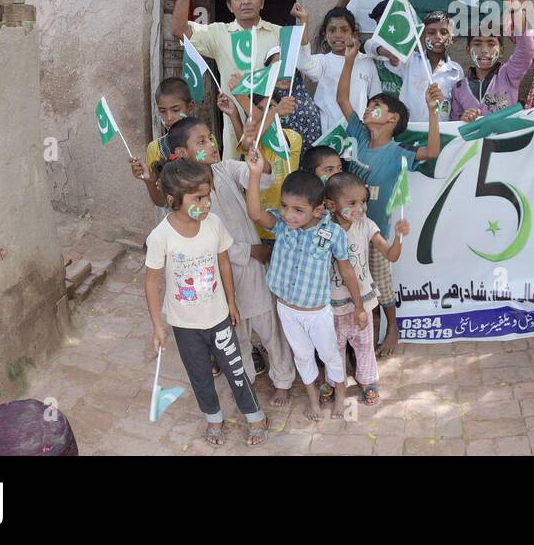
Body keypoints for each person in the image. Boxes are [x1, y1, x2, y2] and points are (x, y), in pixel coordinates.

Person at [154, 117, 296, 408]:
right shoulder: (189, 199)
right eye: (202, 141)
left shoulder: (227, 169)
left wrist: (257, 160)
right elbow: (205, 243)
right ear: (182, 153)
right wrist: (250, 252)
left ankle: (283, 380)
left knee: (270, 328)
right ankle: (245, 383)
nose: (212, 144)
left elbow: (262, 175)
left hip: (253, 272)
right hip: (222, 277)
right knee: (236, 335)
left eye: (211, 138)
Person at [144, 159, 268, 446]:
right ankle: (213, 417)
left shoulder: (213, 224)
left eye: (208, 195)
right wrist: (156, 326)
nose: (207, 203)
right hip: (184, 325)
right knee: (200, 375)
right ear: (174, 200)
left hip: (219, 318)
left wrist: (232, 302)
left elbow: (223, 260)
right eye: (198, 198)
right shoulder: (160, 236)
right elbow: (151, 281)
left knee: (236, 369)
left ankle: (255, 415)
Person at [337, 36, 443, 357]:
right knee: (354, 285)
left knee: (382, 286)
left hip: (378, 233)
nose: (368, 108)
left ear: (392, 119)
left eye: (375, 106)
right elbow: (342, 98)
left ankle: (392, 329)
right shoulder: (357, 132)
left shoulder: (400, 151)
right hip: (346, 231)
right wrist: (350, 60)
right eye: (369, 105)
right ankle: (364, 338)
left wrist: (432, 110)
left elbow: (434, 150)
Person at [247, 167, 367, 420]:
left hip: (317, 313)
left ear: (318, 210)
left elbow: (346, 270)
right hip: (287, 309)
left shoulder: (333, 233)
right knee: (301, 355)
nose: (288, 215)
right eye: (284, 206)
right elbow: (256, 213)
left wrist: (359, 306)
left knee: (330, 354)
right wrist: (255, 174)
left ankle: (341, 395)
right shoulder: (281, 225)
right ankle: (313, 397)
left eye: (297, 209)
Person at [171, 0, 281, 155]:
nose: (246, 1)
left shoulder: (280, 34)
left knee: (274, 183)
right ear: (229, 5)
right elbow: (179, 30)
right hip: (235, 129)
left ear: (262, 1)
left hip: (274, 129)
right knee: (237, 183)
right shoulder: (219, 33)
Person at [323, 172, 409, 405]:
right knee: (334, 346)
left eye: (363, 201)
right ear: (331, 205)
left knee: (363, 344)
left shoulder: (366, 226)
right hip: (332, 302)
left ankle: (368, 381)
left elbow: (390, 254)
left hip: (363, 300)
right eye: (352, 203)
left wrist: (399, 238)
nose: (360, 208)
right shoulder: (322, 228)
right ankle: (333, 381)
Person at [452, 0, 534, 120]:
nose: (484, 50)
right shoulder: (459, 88)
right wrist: (462, 119)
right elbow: (453, 126)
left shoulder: (508, 75)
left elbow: (527, 50)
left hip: (505, 142)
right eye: (477, 43)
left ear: (501, 50)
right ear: (468, 49)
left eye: (491, 43)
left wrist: (514, 4)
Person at [217, 90, 303, 240]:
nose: (265, 114)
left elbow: (258, 134)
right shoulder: (257, 143)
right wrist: (235, 115)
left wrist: (240, 97)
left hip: (288, 221)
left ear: (283, 111)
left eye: (271, 107)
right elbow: (247, 145)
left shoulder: (293, 137)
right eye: (259, 109)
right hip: (258, 223)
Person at [295, 3, 381, 137]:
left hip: (358, 135)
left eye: (344, 30)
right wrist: (304, 22)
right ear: (325, 34)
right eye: (332, 30)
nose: (338, 35)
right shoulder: (323, 61)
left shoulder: (366, 62)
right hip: (328, 134)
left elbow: (377, 98)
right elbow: (304, 63)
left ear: (354, 33)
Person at [366, 9, 463, 124]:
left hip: (439, 133)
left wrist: (441, 104)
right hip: (409, 131)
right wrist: (387, 52)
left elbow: (456, 108)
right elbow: (369, 45)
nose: (438, 37)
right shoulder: (410, 60)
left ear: (451, 38)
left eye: (443, 32)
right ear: (421, 37)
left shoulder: (456, 71)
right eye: (431, 32)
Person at [131, 77, 204, 208]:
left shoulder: (206, 142)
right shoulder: (155, 149)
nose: (168, 117)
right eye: (162, 111)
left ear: (191, 106)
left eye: (175, 110)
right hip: (178, 223)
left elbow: (218, 184)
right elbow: (160, 201)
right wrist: (149, 181)